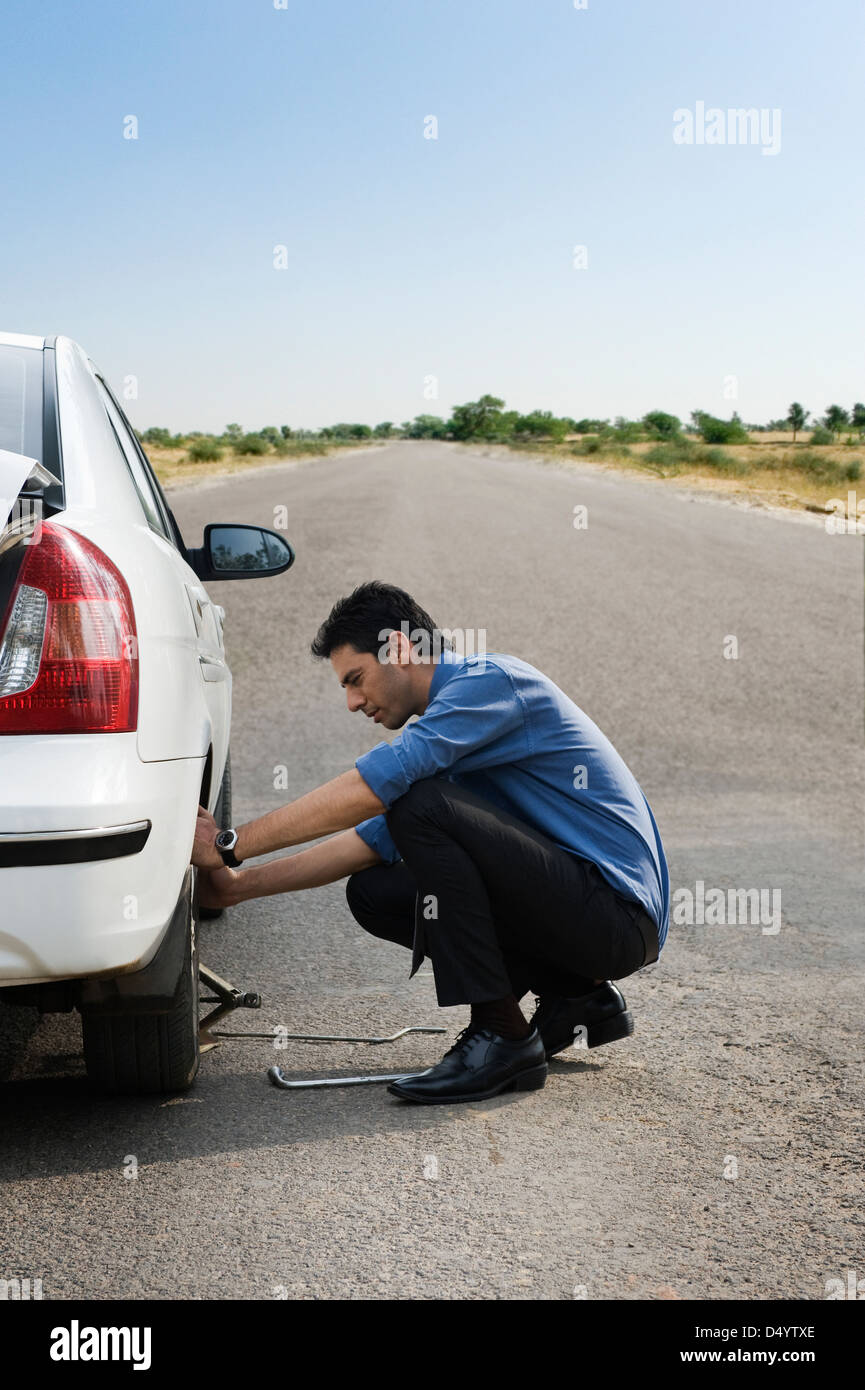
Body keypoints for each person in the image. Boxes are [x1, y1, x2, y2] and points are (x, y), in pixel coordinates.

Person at [191, 581, 669, 1105]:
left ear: (398, 648)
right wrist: (235, 886)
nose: (352, 703)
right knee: (374, 891)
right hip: (589, 918)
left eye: (356, 679)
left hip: (618, 917)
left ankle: (502, 1036)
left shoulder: (488, 685)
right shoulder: (456, 731)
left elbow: (371, 789)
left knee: (418, 806)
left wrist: (230, 842)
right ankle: (575, 995)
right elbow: (364, 843)